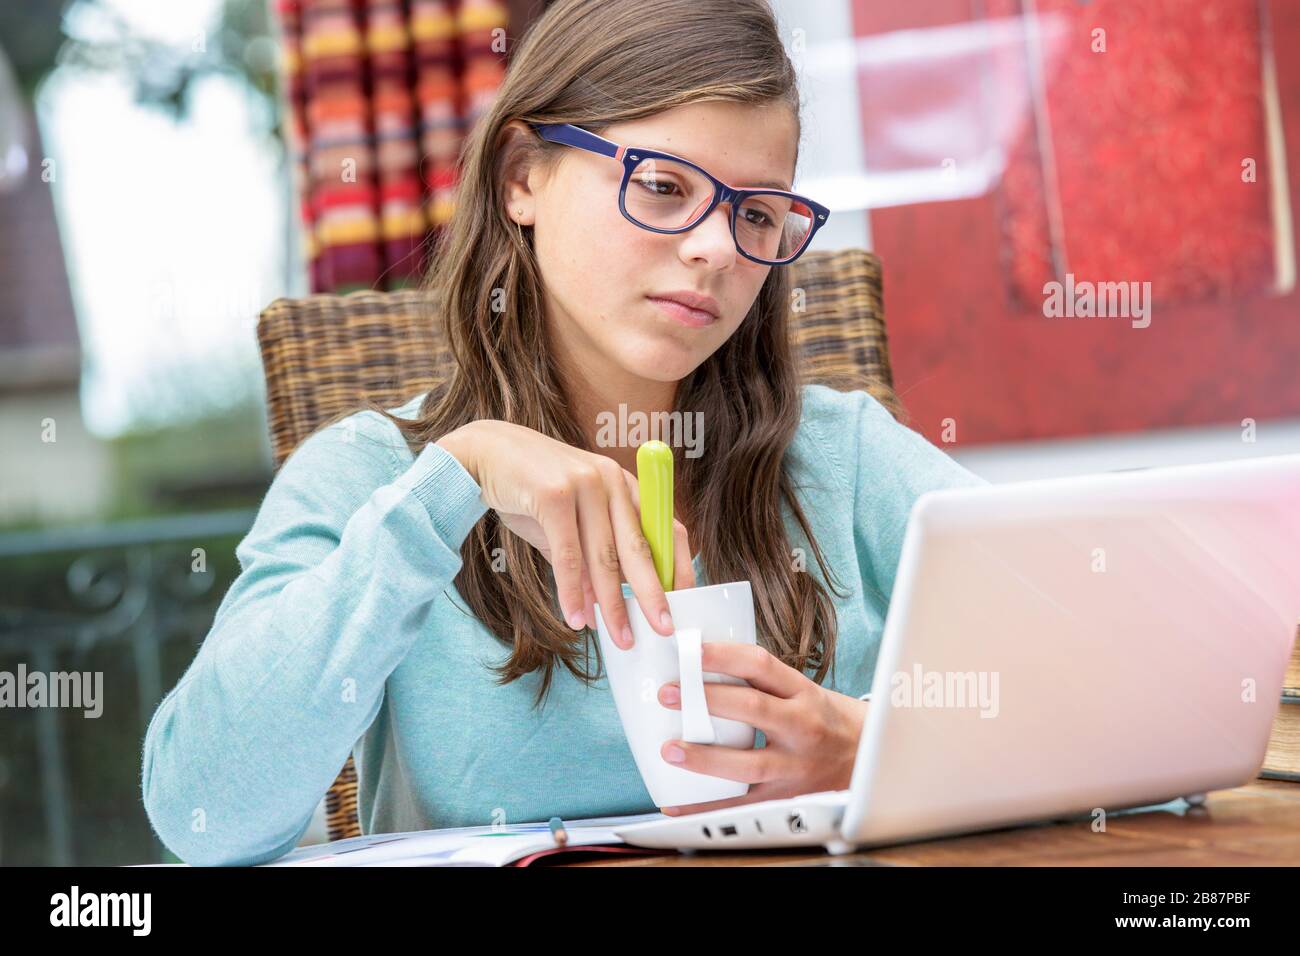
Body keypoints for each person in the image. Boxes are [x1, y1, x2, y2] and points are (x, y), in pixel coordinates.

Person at [141, 0, 988, 866]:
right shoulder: (371, 477)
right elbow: (203, 815)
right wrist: (453, 482)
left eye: (757, 213)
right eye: (663, 186)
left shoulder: (842, 458)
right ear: (522, 176)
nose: (716, 249)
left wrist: (877, 748)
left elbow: (1107, 687)